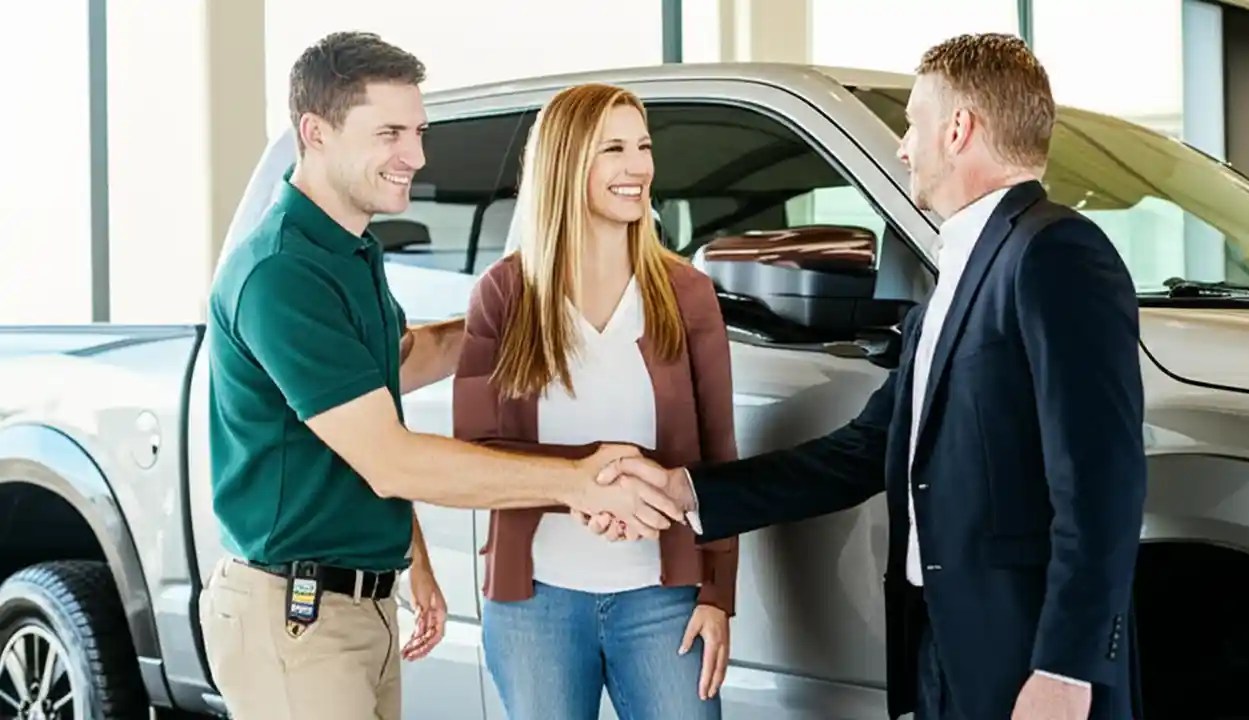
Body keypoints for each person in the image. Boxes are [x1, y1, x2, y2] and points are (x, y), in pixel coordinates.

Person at [589, 33, 1147, 720]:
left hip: (1027, 657)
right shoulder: (961, 273)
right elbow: (860, 453)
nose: (904, 148)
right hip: (948, 650)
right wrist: (688, 491)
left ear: (958, 130)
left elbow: (1101, 482)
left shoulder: (1055, 251)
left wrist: (1066, 666)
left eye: (912, 124)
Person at [198, 33, 685, 720]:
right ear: (315, 132)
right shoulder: (283, 273)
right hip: (296, 619)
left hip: (353, 606)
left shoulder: (348, 252)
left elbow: (398, 369)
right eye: (390, 134)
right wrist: (576, 480)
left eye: (418, 132)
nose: (417, 156)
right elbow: (390, 460)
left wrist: (527, 309)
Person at [451, 82, 738, 720]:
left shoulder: (687, 293)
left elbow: (720, 454)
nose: (638, 166)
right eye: (614, 149)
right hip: (535, 605)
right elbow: (473, 454)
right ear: (564, 163)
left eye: (643, 146)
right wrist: (587, 488)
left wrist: (718, 593)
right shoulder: (504, 294)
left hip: (664, 600)